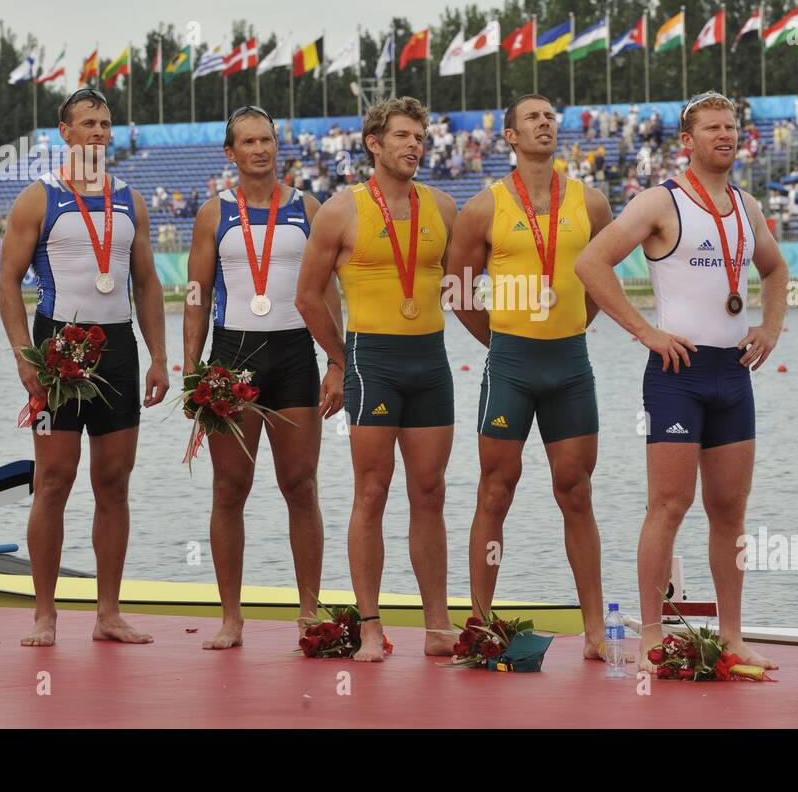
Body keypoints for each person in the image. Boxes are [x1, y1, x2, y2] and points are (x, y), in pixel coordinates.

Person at [575, 92, 789, 672]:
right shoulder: (659, 202)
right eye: (713, 127)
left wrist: (770, 325)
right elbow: (591, 264)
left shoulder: (745, 206)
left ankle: (733, 634)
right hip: (677, 373)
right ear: (687, 141)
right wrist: (645, 331)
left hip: (733, 374)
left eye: (732, 127)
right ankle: (649, 634)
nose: (725, 135)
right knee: (669, 505)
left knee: (730, 511)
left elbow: (775, 268)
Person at [0, 87, 169, 647]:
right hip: (58, 348)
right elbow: (6, 283)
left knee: (114, 484)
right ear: (64, 133)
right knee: (53, 480)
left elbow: (146, 283)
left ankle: (108, 613)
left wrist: (159, 356)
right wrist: (27, 358)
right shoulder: (38, 199)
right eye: (88, 124)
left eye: (106, 123)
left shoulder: (129, 199)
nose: (98, 132)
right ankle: (44, 614)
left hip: (118, 348)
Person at [446, 94, 615, 657]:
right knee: (496, 492)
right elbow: (458, 288)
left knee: (577, 492)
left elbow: (603, 281)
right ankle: (481, 623)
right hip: (511, 367)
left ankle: (594, 631)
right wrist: (499, 341)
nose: (544, 123)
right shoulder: (482, 208)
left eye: (550, 116)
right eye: (532, 119)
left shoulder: (590, 202)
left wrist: (575, 325)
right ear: (510, 137)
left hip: (570, 364)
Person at [295, 97, 458, 661]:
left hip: (432, 362)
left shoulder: (442, 207)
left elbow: (470, 279)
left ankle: (438, 626)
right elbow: (308, 297)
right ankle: (369, 626)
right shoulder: (341, 211)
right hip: (374, 362)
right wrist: (341, 360)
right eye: (404, 136)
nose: (415, 145)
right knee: (372, 491)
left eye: (421, 136)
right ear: (374, 144)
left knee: (431, 493)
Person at [184, 106, 343, 650]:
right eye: (248, 142)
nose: (260, 149)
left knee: (300, 486)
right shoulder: (213, 214)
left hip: (296, 352)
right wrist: (190, 367)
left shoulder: (309, 207)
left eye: (268, 140)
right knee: (230, 489)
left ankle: (308, 611)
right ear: (230, 153)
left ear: (278, 146)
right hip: (232, 356)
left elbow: (327, 293)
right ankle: (231, 618)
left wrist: (338, 362)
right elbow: (196, 296)